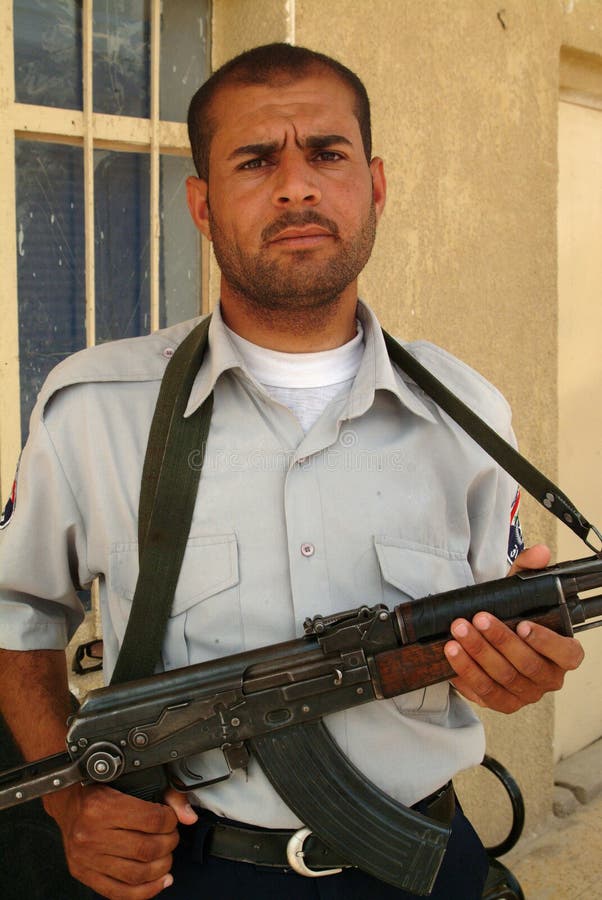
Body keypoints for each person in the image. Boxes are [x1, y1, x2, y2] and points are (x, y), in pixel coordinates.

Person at [0, 43, 584, 900]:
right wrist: (68, 798)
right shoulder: (95, 409)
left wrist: (517, 674)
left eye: (327, 154)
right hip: (193, 870)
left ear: (375, 185)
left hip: (419, 860)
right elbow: (18, 612)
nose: (297, 187)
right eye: (255, 160)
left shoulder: (470, 415)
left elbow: (490, 653)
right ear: (200, 203)